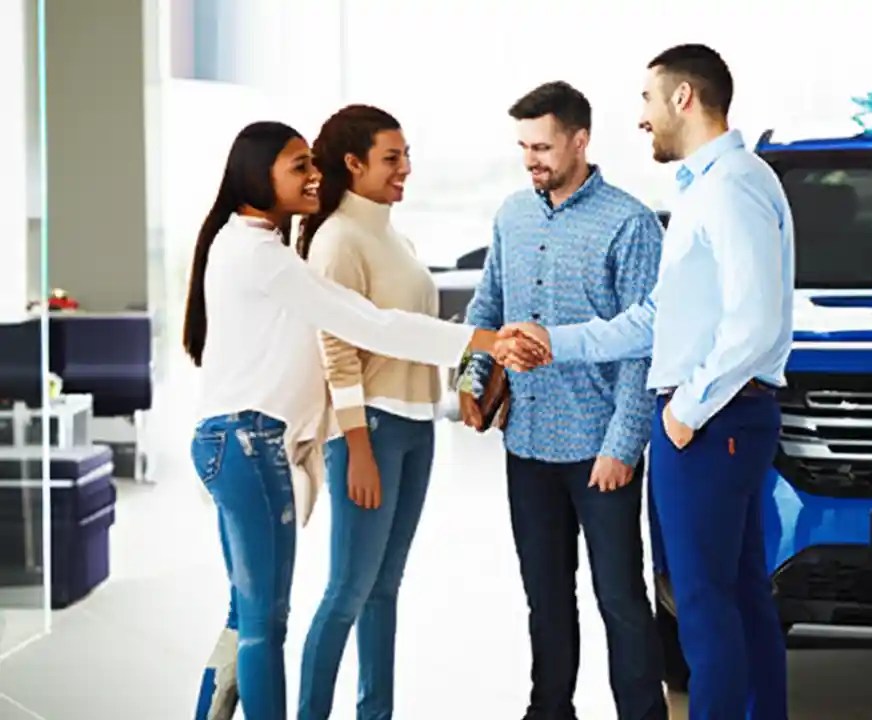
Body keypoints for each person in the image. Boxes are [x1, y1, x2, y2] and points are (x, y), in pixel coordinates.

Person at [183, 120, 534, 720]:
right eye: (298, 167)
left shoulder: (249, 244)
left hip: (240, 440)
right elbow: (368, 326)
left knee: (249, 614)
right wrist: (483, 339)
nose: (313, 174)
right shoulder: (263, 255)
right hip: (247, 442)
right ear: (255, 176)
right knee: (266, 622)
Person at [503, 45, 795, 720]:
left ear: (684, 99)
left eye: (646, 100)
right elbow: (658, 319)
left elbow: (753, 321)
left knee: (702, 605)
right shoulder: (715, 186)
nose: (641, 118)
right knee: (740, 595)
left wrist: (686, 412)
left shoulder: (730, 187)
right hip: (722, 419)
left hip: (713, 421)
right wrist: (558, 344)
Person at [460, 81, 668, 720]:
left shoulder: (630, 223)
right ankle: (549, 711)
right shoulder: (511, 216)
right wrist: (475, 380)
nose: (532, 159)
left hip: (599, 450)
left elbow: (645, 344)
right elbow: (487, 308)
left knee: (620, 600)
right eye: (524, 146)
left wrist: (622, 445)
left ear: (580, 140)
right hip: (526, 443)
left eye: (544, 146)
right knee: (545, 598)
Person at [292, 104, 446, 720]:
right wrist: (355, 447)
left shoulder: (393, 234)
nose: (405, 168)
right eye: (392, 157)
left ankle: (374, 714)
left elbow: (417, 331)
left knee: (384, 589)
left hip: (415, 426)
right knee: (348, 591)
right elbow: (337, 354)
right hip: (371, 432)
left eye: (407, 155)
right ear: (352, 164)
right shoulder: (336, 240)